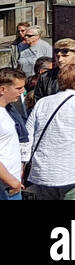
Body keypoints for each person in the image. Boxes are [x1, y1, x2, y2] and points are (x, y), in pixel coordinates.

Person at [24, 64, 75, 199]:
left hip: (44, 171)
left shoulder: (42, 103)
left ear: (58, 81)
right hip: (74, 171)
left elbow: (27, 137)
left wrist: (22, 165)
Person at [35, 40, 75, 111]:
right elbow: (38, 105)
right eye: (57, 56)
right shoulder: (45, 77)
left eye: (65, 56)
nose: (60, 60)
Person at [0, 69, 27, 201]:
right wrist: (11, 181)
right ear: (2, 90)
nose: (22, 91)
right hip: (5, 186)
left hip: (11, 184)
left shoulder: (9, 110)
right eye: (18, 88)